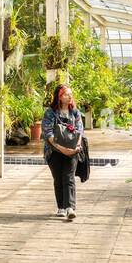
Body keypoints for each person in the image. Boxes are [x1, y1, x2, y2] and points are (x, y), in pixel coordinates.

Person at [42, 84, 85, 220]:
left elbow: (79, 131)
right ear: (59, 97)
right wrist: (62, 149)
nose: (70, 96)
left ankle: (70, 208)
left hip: (72, 151)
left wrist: (76, 147)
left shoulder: (75, 113)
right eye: (66, 94)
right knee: (58, 179)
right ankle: (61, 207)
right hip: (54, 152)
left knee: (69, 177)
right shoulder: (50, 112)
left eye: (70, 94)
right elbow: (47, 132)